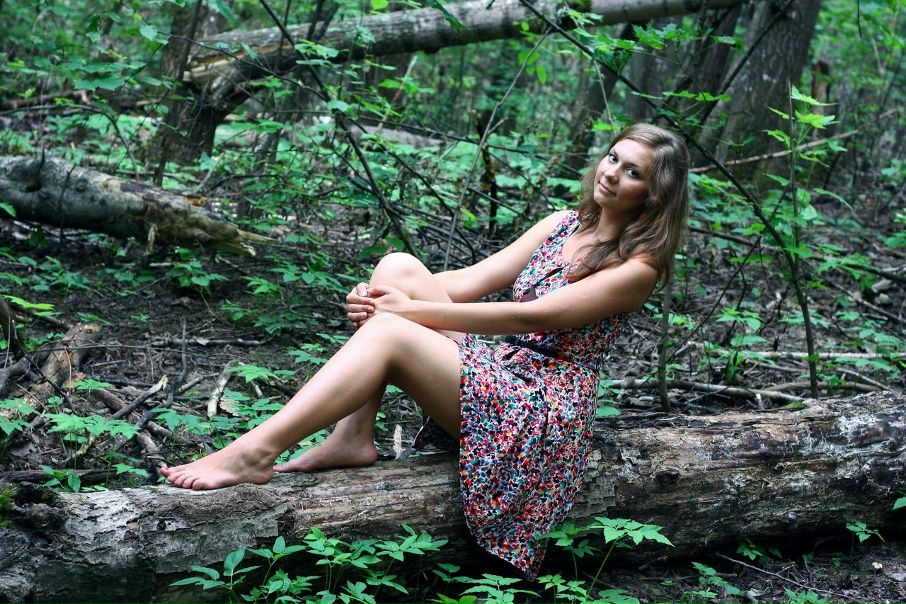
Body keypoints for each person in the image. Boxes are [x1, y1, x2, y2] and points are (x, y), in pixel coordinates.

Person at [161, 122, 690, 578]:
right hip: (506, 372)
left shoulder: (638, 268)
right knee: (397, 267)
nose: (611, 173)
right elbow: (469, 281)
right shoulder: (561, 224)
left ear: (653, 195)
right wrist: (382, 296)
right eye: (612, 157)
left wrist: (407, 313)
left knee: (392, 330)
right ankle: (351, 437)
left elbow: (531, 316)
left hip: (543, 406)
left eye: (632, 172)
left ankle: (255, 452)